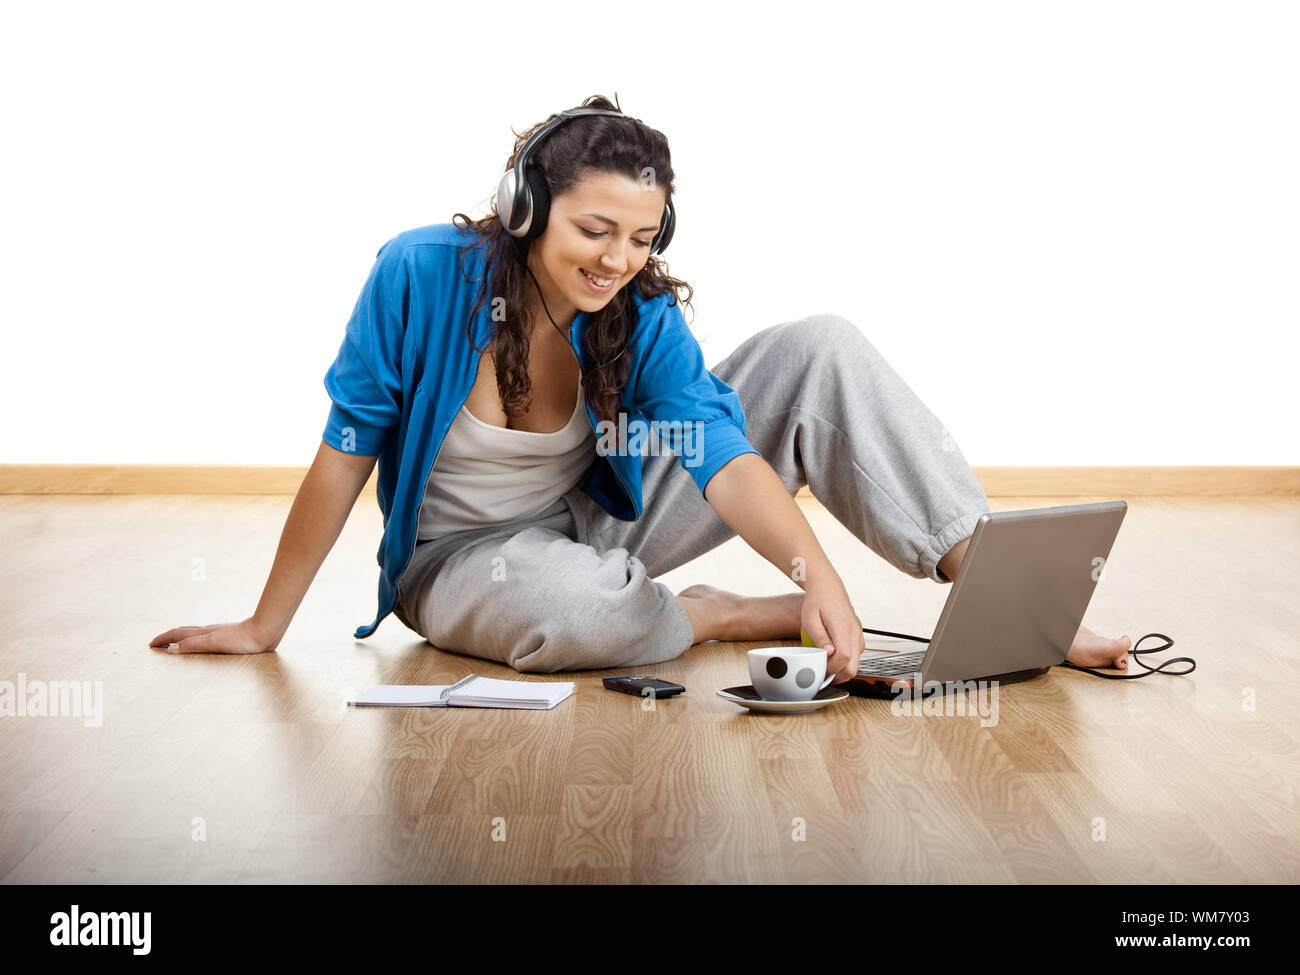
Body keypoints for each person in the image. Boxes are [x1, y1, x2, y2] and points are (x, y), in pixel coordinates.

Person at [150, 95, 1133, 680]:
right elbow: (343, 455)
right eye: (593, 231)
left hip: (597, 522)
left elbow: (722, 456)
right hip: (461, 562)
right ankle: (706, 612)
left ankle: (1023, 605)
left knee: (819, 344)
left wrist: (814, 573)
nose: (618, 259)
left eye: (642, 236)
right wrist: (262, 627)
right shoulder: (417, 276)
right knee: (594, 617)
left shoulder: (639, 313)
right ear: (524, 207)